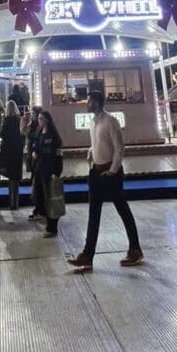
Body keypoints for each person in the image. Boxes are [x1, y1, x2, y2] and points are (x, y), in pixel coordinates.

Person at [68, 90, 143, 272]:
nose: (87, 103)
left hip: (110, 174)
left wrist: (113, 170)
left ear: (96, 102)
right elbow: (97, 143)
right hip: (96, 172)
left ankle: (135, 249)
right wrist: (91, 153)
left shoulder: (110, 121)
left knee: (122, 210)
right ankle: (87, 255)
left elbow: (119, 147)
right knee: (94, 214)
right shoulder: (93, 122)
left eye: (89, 101)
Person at [32, 110, 64, 237]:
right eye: (39, 118)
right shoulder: (40, 132)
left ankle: (52, 228)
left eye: (42, 118)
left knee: (50, 199)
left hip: (49, 171)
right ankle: (43, 216)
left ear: (47, 120)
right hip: (40, 169)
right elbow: (36, 146)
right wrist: (34, 152)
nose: (39, 120)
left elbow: (58, 155)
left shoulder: (53, 136)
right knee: (40, 196)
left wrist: (56, 172)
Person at [0, 99, 24, 211]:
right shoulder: (19, 120)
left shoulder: (6, 120)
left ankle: (11, 202)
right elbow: (22, 134)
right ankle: (16, 203)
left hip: (8, 150)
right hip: (17, 150)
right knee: (16, 177)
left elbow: (3, 134)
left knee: (10, 177)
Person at [21, 107, 42, 218]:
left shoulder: (40, 126)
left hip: (37, 157)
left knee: (37, 182)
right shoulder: (32, 125)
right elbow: (23, 131)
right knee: (35, 181)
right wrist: (25, 121)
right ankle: (38, 208)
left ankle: (38, 209)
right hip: (31, 155)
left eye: (34, 113)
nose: (32, 114)